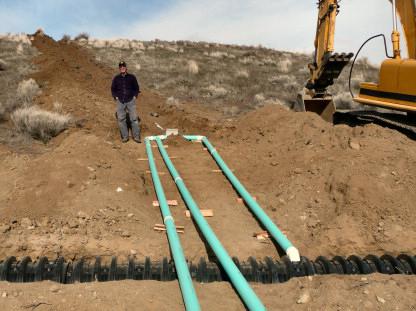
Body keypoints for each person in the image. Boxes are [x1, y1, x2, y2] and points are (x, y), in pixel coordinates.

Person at [111, 61, 141, 143]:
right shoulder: (116, 78)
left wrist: (135, 96)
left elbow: (136, 88)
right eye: (120, 67)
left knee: (134, 119)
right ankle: (125, 137)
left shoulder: (132, 77)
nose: (122, 68)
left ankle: (136, 137)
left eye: (123, 66)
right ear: (119, 68)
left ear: (126, 68)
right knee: (121, 119)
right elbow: (113, 89)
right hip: (120, 101)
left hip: (130, 100)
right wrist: (115, 96)